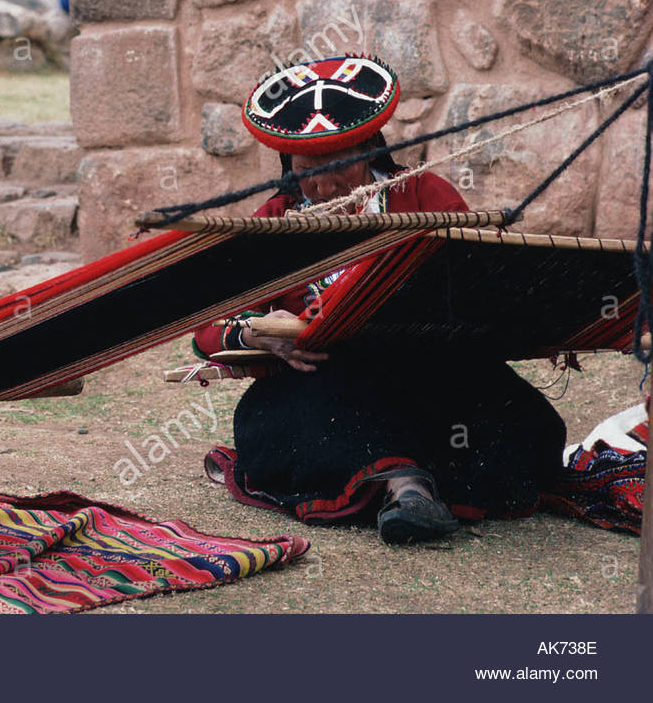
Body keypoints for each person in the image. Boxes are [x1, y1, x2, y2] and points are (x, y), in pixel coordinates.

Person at [196, 56, 566, 544]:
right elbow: (208, 324)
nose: (324, 186)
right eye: (307, 171)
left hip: (430, 378)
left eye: (339, 166)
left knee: (526, 425)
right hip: (324, 386)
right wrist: (259, 333)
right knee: (298, 418)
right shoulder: (275, 221)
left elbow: (476, 283)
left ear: (371, 148)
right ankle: (406, 487)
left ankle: (398, 479)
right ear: (288, 166)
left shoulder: (424, 194)